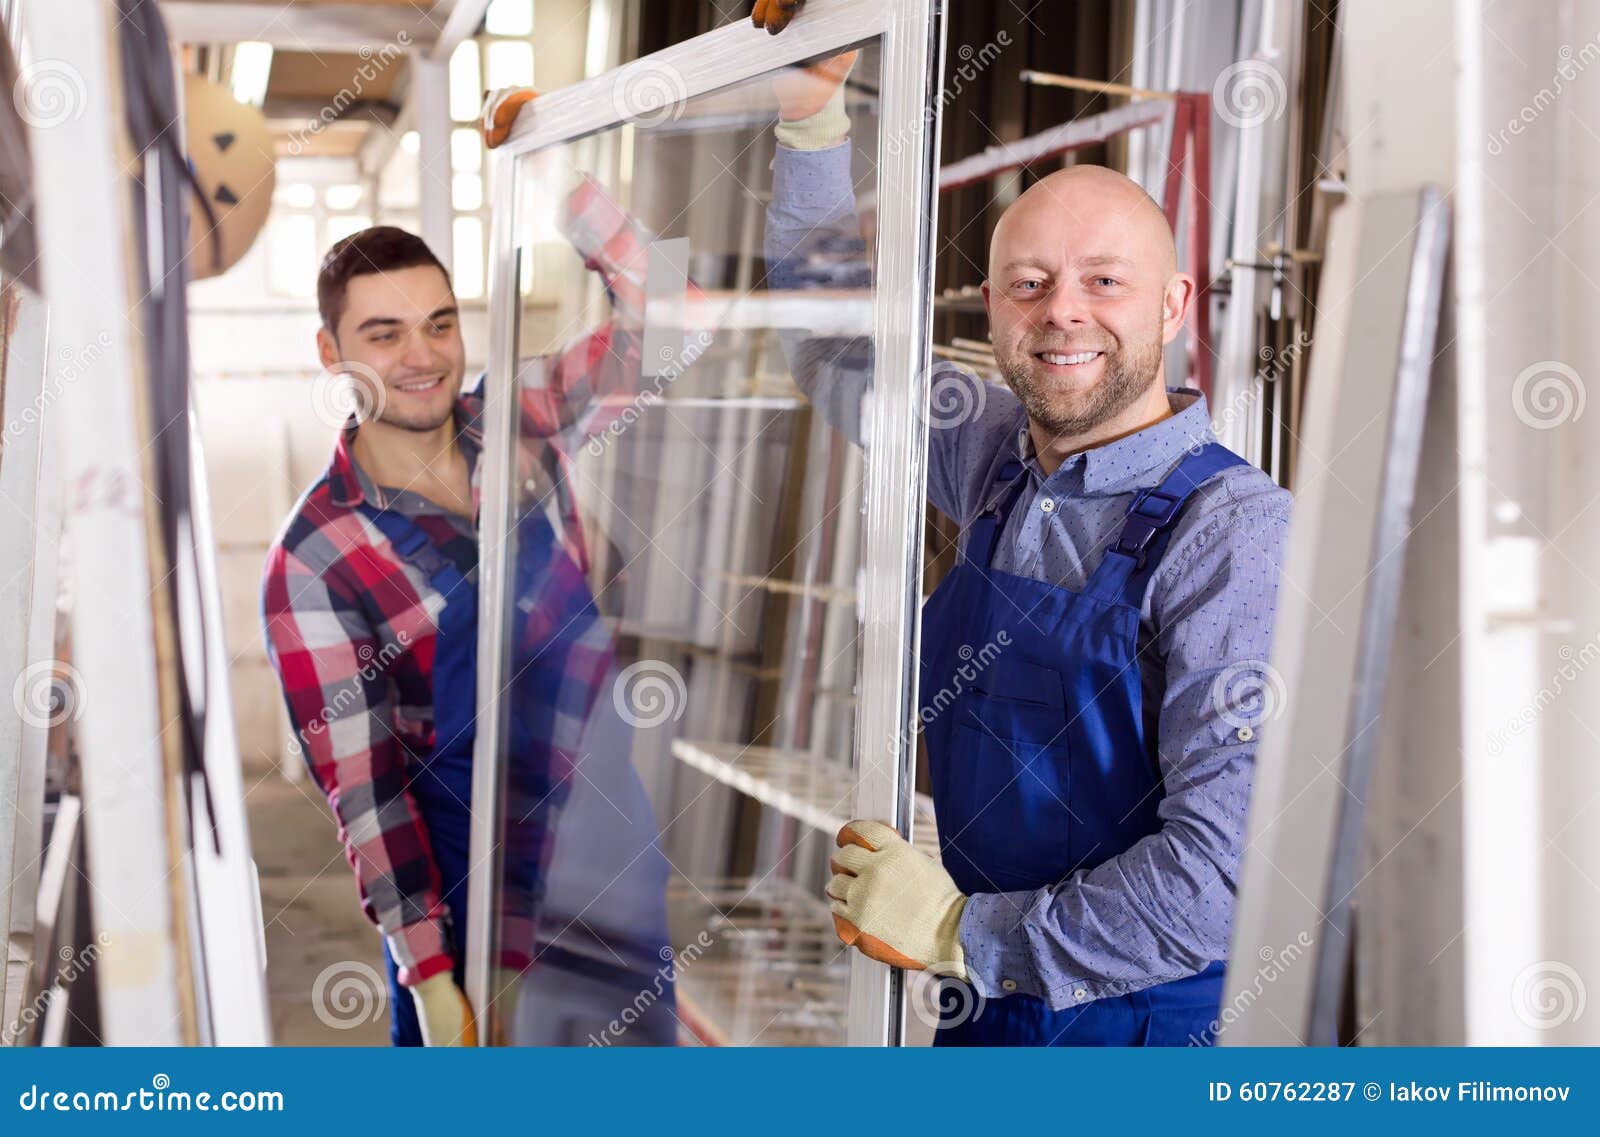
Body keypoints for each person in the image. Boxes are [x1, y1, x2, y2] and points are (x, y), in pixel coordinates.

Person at [759, 63, 1294, 1045]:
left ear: (1173, 305)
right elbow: (830, 350)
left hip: (1145, 1039)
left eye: (1103, 281)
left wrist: (962, 930)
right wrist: (810, 120)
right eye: (1028, 284)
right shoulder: (995, 457)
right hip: (987, 1013)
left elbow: (1220, 879)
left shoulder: (1233, 535)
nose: (1061, 313)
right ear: (995, 307)